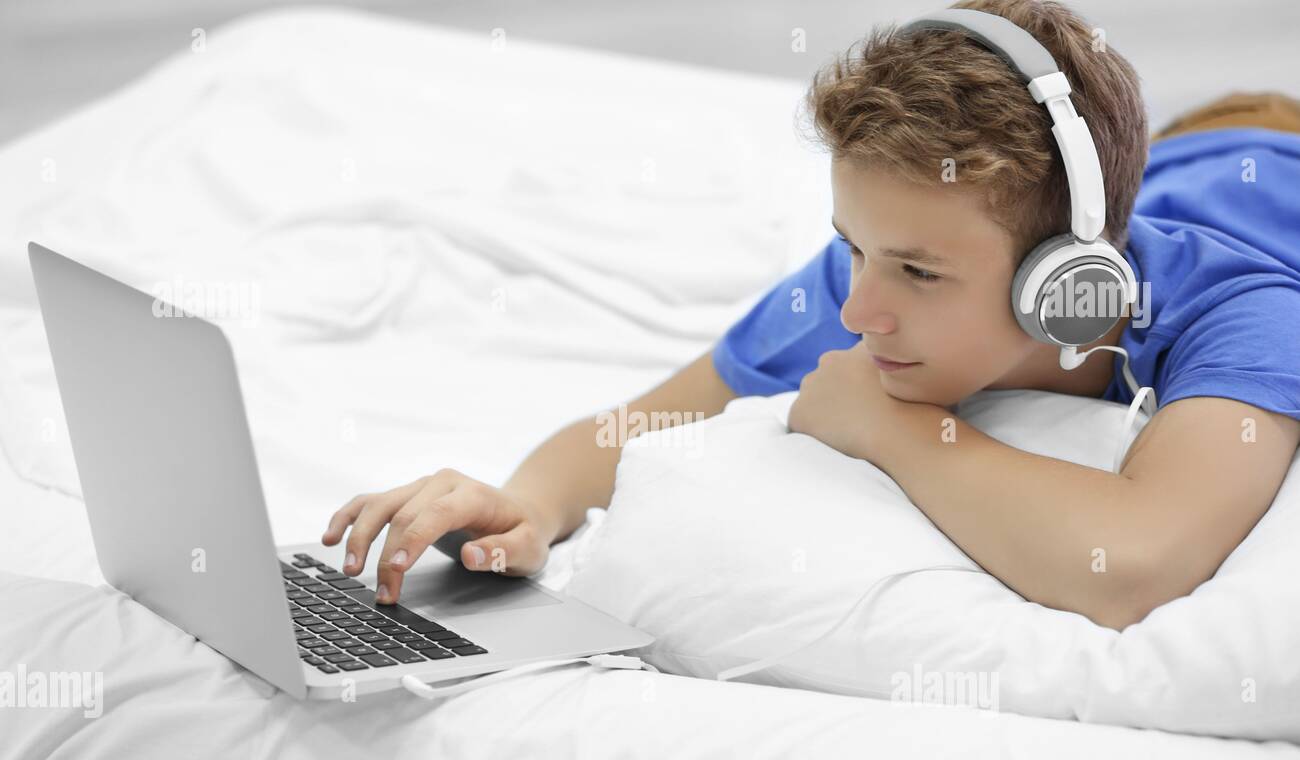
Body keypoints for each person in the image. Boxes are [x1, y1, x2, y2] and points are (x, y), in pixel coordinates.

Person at [322, 0, 1300, 630]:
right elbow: (633, 428)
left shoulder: (1243, 306)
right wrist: (527, 506)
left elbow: (1130, 566)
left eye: (916, 270)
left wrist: (889, 427)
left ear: (1069, 285)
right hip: (1175, 159)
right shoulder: (856, 284)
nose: (859, 309)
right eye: (852, 244)